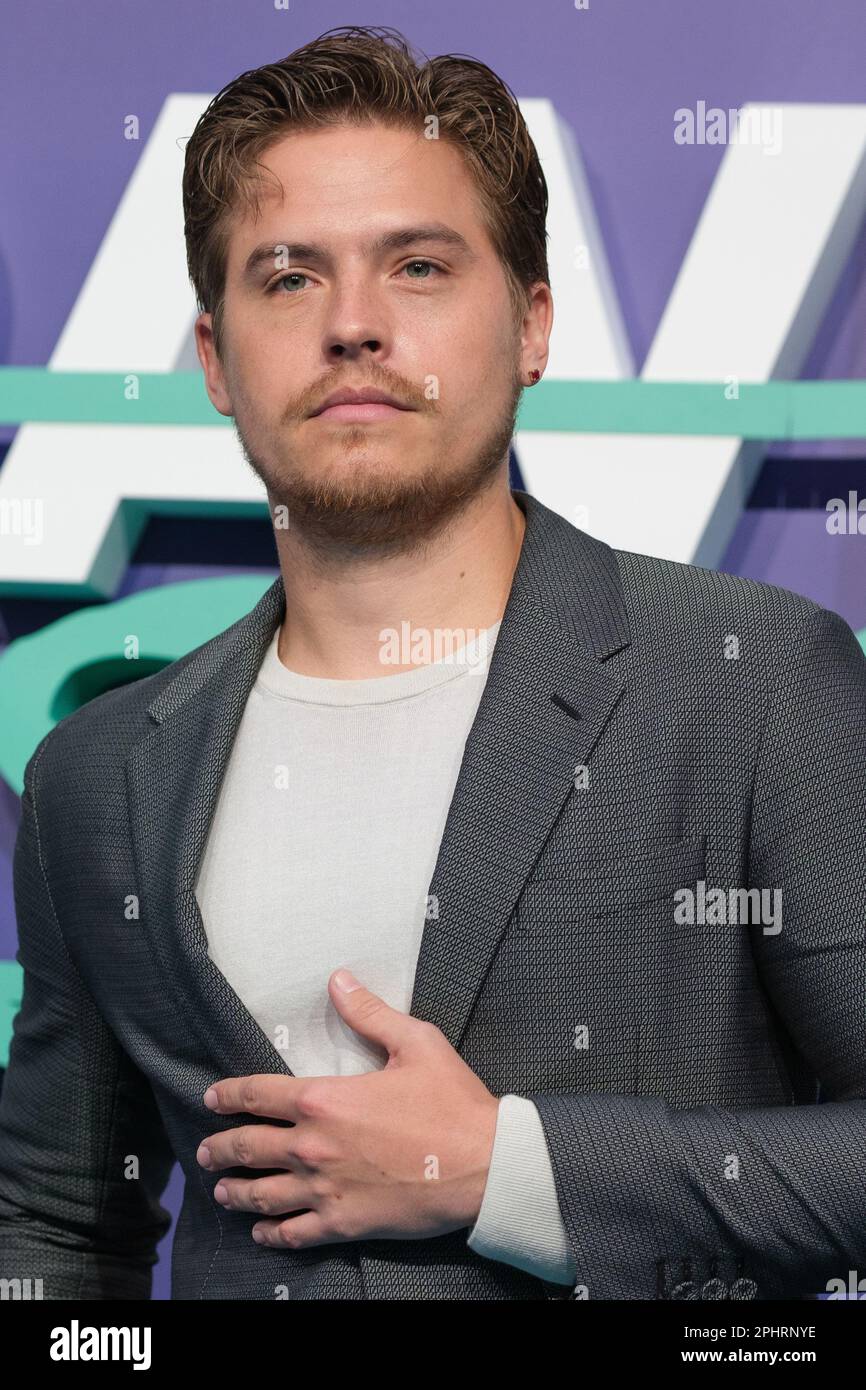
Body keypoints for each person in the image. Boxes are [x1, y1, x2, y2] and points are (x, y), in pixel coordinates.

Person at [0, 25, 864, 1301]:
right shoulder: (99, 776)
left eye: (416, 266)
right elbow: (57, 1227)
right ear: (212, 361)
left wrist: (508, 1170)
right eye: (288, 277)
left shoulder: (749, 679)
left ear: (530, 324)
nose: (352, 325)